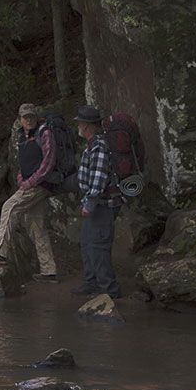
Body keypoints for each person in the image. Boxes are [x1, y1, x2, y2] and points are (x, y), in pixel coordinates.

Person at [0, 103, 59, 281]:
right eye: (25, 117)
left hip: (41, 185)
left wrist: (30, 182)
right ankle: (49, 271)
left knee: (9, 206)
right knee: (37, 226)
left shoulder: (45, 133)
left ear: (36, 117)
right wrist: (22, 179)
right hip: (32, 184)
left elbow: (48, 162)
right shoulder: (24, 136)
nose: (28, 120)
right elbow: (25, 163)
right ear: (20, 119)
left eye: (31, 116)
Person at [73, 105, 122, 298]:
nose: (78, 126)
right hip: (95, 203)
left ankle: (109, 290)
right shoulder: (92, 145)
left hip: (103, 205)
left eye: (80, 123)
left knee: (99, 247)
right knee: (87, 244)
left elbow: (99, 177)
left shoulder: (100, 146)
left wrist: (89, 203)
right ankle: (91, 282)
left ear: (86, 125)